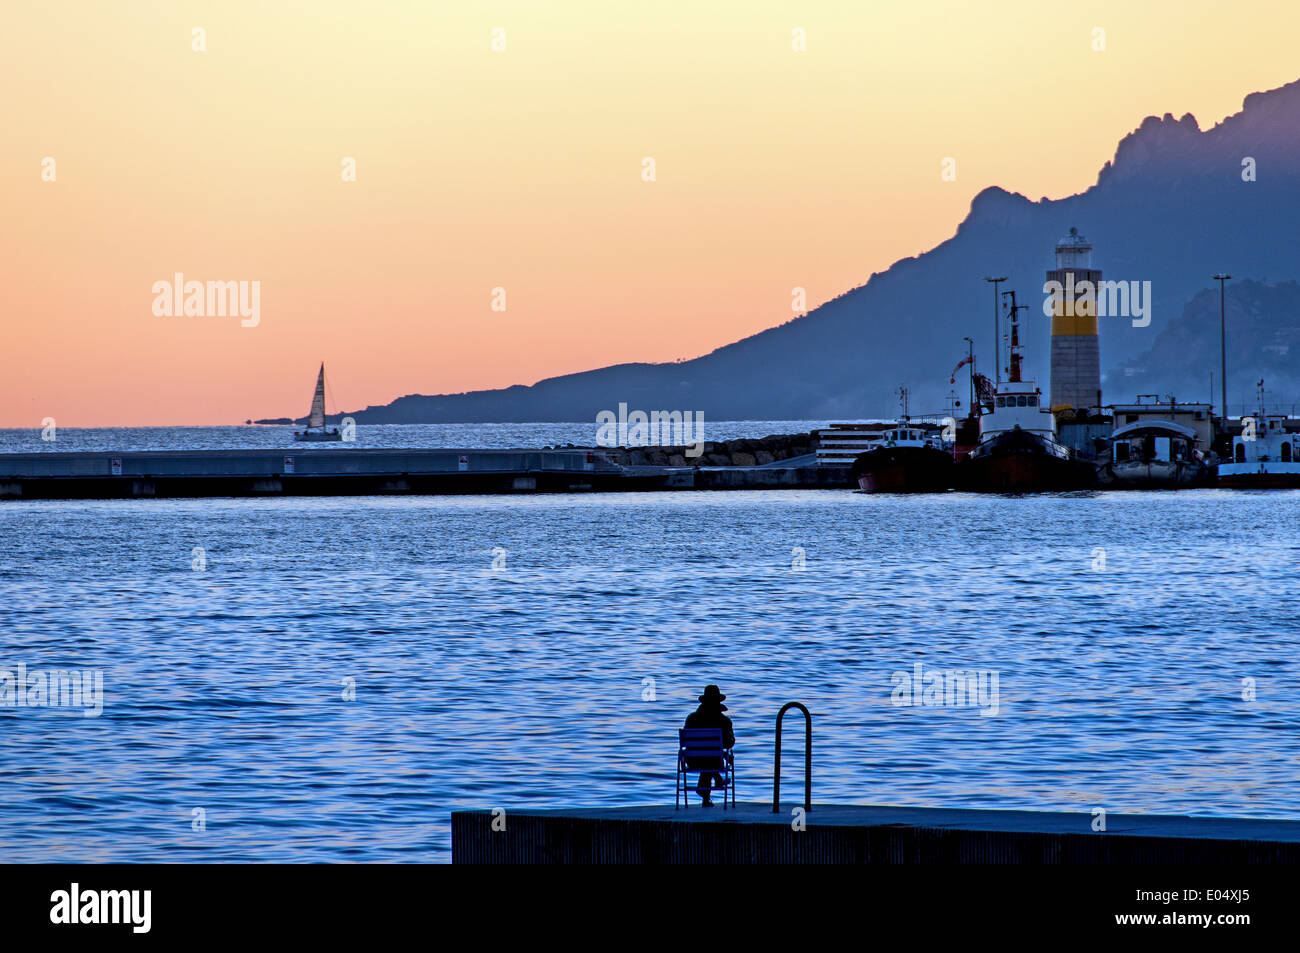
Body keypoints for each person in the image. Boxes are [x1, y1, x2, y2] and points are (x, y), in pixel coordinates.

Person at [683, 684, 735, 806]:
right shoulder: (724, 721)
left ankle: (706, 796)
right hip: (714, 761)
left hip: (692, 760)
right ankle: (716, 780)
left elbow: (685, 741)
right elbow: (729, 743)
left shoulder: (691, 718)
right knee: (711, 758)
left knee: (706, 757)